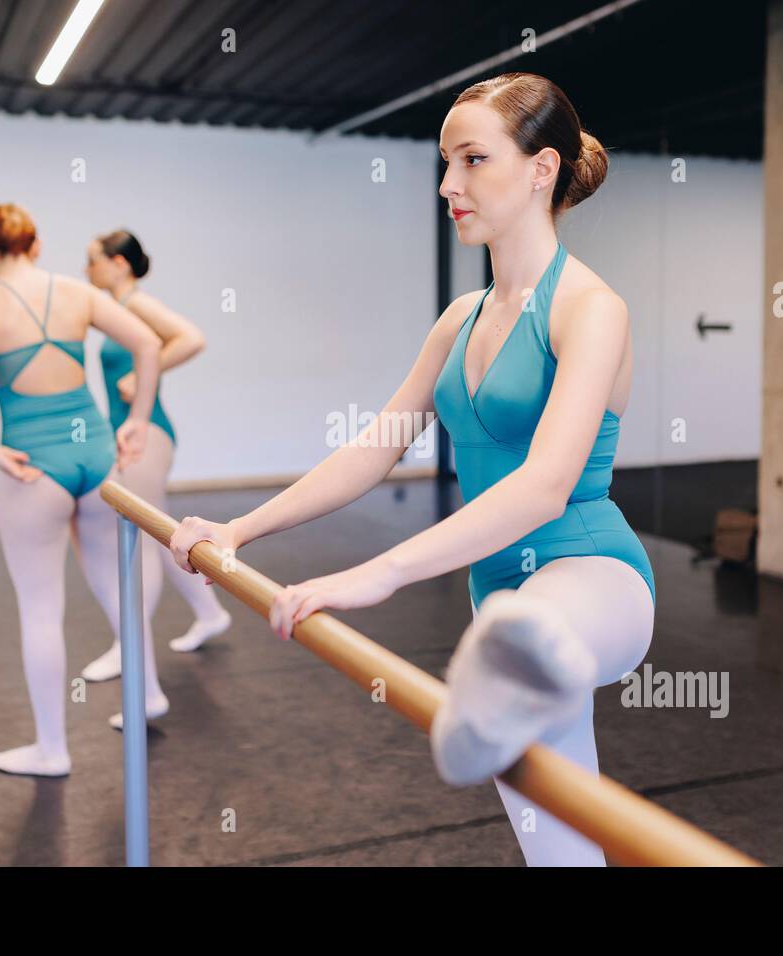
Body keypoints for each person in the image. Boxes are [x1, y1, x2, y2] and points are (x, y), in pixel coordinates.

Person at [165, 73, 654, 865]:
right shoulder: (462, 318)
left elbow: (546, 485)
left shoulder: (591, 309)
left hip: (590, 574)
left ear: (541, 169)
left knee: (525, 629)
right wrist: (240, 529)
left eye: (471, 160)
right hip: (495, 583)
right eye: (444, 162)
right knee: (558, 849)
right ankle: (507, 676)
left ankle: (512, 665)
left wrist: (380, 574)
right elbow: (376, 445)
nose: (447, 185)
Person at [0, 204, 165, 775]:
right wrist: (136, 419)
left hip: (32, 466)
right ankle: (149, 693)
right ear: (35, 247)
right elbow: (150, 345)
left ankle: (51, 750)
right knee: (116, 586)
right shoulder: (75, 292)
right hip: (96, 454)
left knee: (40, 610)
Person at [80, 231, 232, 697]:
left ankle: (128, 646)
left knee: (138, 542)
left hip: (148, 434)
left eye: (93, 261)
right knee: (163, 534)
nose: (87, 270)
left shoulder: (137, 304)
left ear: (119, 264)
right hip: (131, 433)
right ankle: (210, 613)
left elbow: (192, 338)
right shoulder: (117, 308)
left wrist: (144, 373)